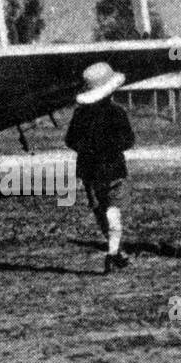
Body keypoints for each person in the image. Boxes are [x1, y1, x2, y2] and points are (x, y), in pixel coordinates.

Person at [65, 61, 134, 273]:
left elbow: (70, 140)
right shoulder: (117, 113)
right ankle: (114, 251)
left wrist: (88, 150)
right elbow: (128, 140)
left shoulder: (80, 114)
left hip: (89, 172)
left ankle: (116, 250)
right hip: (113, 169)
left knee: (101, 211)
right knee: (116, 209)